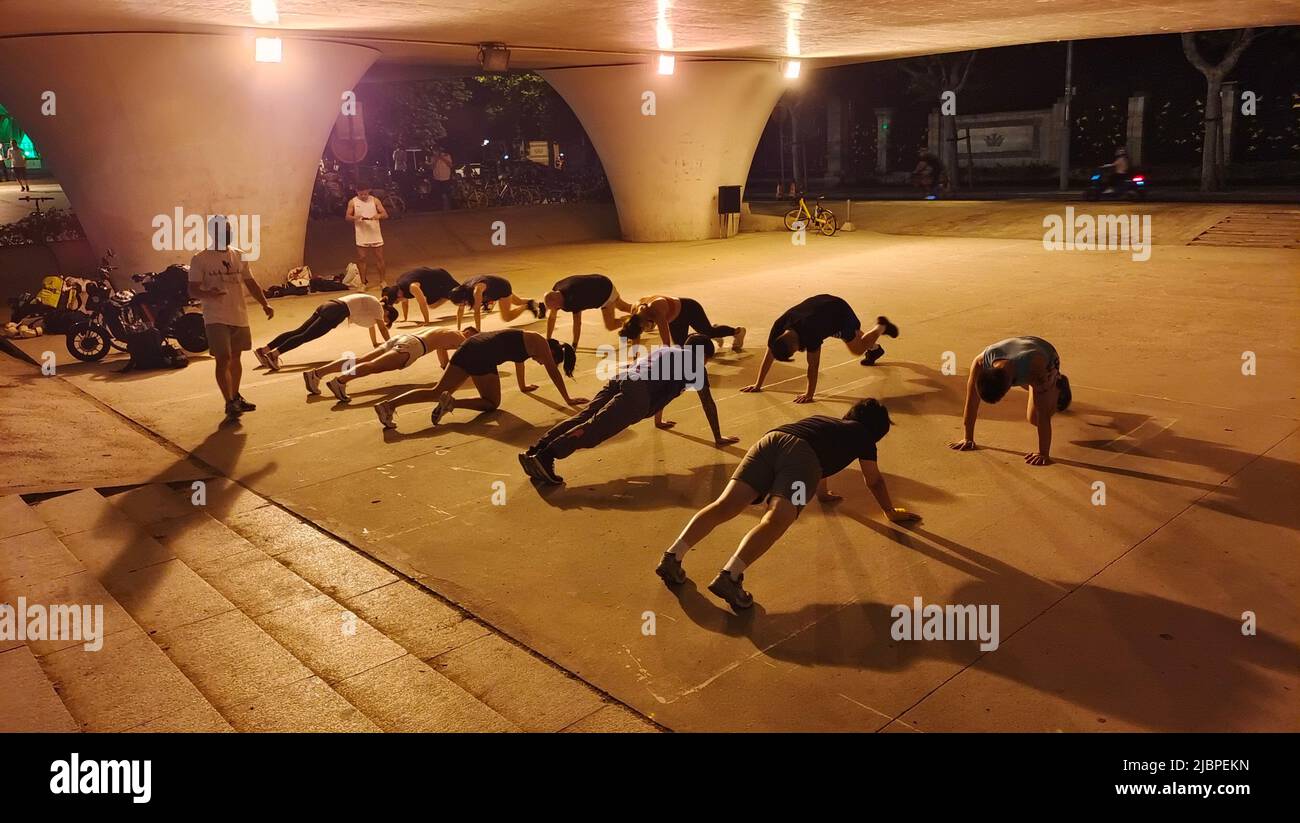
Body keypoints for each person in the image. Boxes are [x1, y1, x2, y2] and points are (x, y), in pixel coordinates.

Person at [656, 399, 919, 610]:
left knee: (725, 505)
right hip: (803, 460)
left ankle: (672, 556)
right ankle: (730, 576)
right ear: (876, 430)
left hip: (772, 441)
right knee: (775, 520)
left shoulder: (828, 424)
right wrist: (889, 510)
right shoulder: (863, 437)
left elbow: (823, 455)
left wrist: (823, 492)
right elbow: (874, 480)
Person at [520, 334, 739, 485]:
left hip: (622, 378)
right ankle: (547, 456)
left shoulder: (668, 350)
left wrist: (658, 421)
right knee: (595, 429)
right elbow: (707, 403)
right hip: (637, 394)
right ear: (704, 355)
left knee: (584, 416)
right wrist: (718, 437)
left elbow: (661, 380)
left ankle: (536, 450)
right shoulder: (695, 365)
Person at [372, 329, 585, 430]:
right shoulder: (541, 343)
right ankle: (452, 403)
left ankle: (388, 405)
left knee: (437, 390)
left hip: (470, 346)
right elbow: (553, 373)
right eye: (549, 360)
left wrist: (523, 386)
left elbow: (519, 362)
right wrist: (567, 399)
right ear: (554, 352)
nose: (543, 363)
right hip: (483, 354)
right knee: (492, 403)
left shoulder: (530, 340)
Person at [187, 217, 274, 421]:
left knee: (236, 357)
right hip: (215, 316)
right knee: (223, 358)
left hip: (238, 314)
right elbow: (192, 289)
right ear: (212, 234)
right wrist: (210, 295)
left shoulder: (239, 255)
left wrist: (265, 303)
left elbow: (250, 282)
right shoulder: (200, 259)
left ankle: (236, 396)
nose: (228, 233)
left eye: (229, 229)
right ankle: (229, 401)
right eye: (223, 230)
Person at [742, 294, 897, 403]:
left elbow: (813, 365)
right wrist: (758, 384)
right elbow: (770, 354)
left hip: (839, 313)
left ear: (795, 346)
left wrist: (809, 394)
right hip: (821, 304)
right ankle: (875, 349)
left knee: (857, 349)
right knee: (854, 338)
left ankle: (881, 327)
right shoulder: (778, 327)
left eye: (796, 350)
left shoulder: (811, 333)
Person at [949, 336, 1071, 467]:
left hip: (1044, 354)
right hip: (1022, 352)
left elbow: (1043, 415)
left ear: (1009, 385)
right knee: (1030, 386)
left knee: (1034, 418)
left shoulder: (1037, 370)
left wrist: (1043, 453)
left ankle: (1058, 383)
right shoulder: (980, 362)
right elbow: (971, 401)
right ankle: (1034, 386)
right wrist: (968, 437)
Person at [305, 326, 477, 402]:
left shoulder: (446, 331)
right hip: (414, 346)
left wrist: (444, 367)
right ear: (469, 333)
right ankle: (340, 382)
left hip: (404, 337)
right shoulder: (461, 338)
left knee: (361, 360)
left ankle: (317, 373)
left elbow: (442, 353)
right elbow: (463, 357)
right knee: (374, 366)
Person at [253, 293, 393, 371]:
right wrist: (390, 345)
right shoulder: (378, 309)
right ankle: (274, 355)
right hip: (336, 312)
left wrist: (375, 343)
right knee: (305, 336)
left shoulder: (372, 302)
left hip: (329, 305)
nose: (383, 321)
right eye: (386, 320)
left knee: (299, 331)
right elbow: (381, 328)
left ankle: (264, 350)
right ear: (386, 312)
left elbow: (373, 327)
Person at [619, 295, 745, 352]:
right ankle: (709, 334)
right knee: (681, 347)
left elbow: (666, 344)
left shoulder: (656, 310)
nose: (645, 330)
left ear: (641, 324)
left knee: (708, 332)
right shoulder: (635, 313)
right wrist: (634, 361)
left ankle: (737, 332)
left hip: (689, 308)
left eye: (643, 330)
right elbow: (636, 337)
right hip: (675, 318)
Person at [541, 273, 633, 348]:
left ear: (556, 303)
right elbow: (552, 317)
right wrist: (548, 340)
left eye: (553, 308)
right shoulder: (557, 288)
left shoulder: (573, 299)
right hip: (601, 280)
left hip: (604, 292)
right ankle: (640, 313)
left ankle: (634, 320)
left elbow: (577, 323)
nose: (554, 310)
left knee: (610, 325)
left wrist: (574, 345)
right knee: (624, 307)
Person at [449, 274, 542, 331]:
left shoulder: (476, 291)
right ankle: (538, 304)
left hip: (501, 289)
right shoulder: (463, 290)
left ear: (463, 297)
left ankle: (527, 306)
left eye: (462, 303)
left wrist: (478, 331)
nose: (462, 306)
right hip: (497, 283)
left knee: (506, 317)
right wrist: (458, 329)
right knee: (518, 301)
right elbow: (460, 311)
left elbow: (476, 312)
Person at [382, 267, 459, 324]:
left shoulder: (412, 287)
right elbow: (405, 303)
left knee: (459, 297)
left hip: (441, 278)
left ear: (399, 295)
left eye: (397, 301)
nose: (399, 302)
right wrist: (405, 318)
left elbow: (422, 304)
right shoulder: (399, 287)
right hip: (431, 285)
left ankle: (449, 295)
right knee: (432, 305)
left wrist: (426, 321)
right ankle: (447, 295)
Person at [346, 184, 388, 287]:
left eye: (365, 193)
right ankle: (363, 283)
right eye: (361, 194)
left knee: (379, 257)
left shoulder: (375, 200)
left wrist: (378, 215)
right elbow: (347, 216)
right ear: (357, 191)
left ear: (369, 190)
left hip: (375, 233)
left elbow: (385, 214)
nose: (364, 196)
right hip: (361, 233)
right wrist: (355, 217)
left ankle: (382, 281)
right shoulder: (353, 202)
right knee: (362, 257)